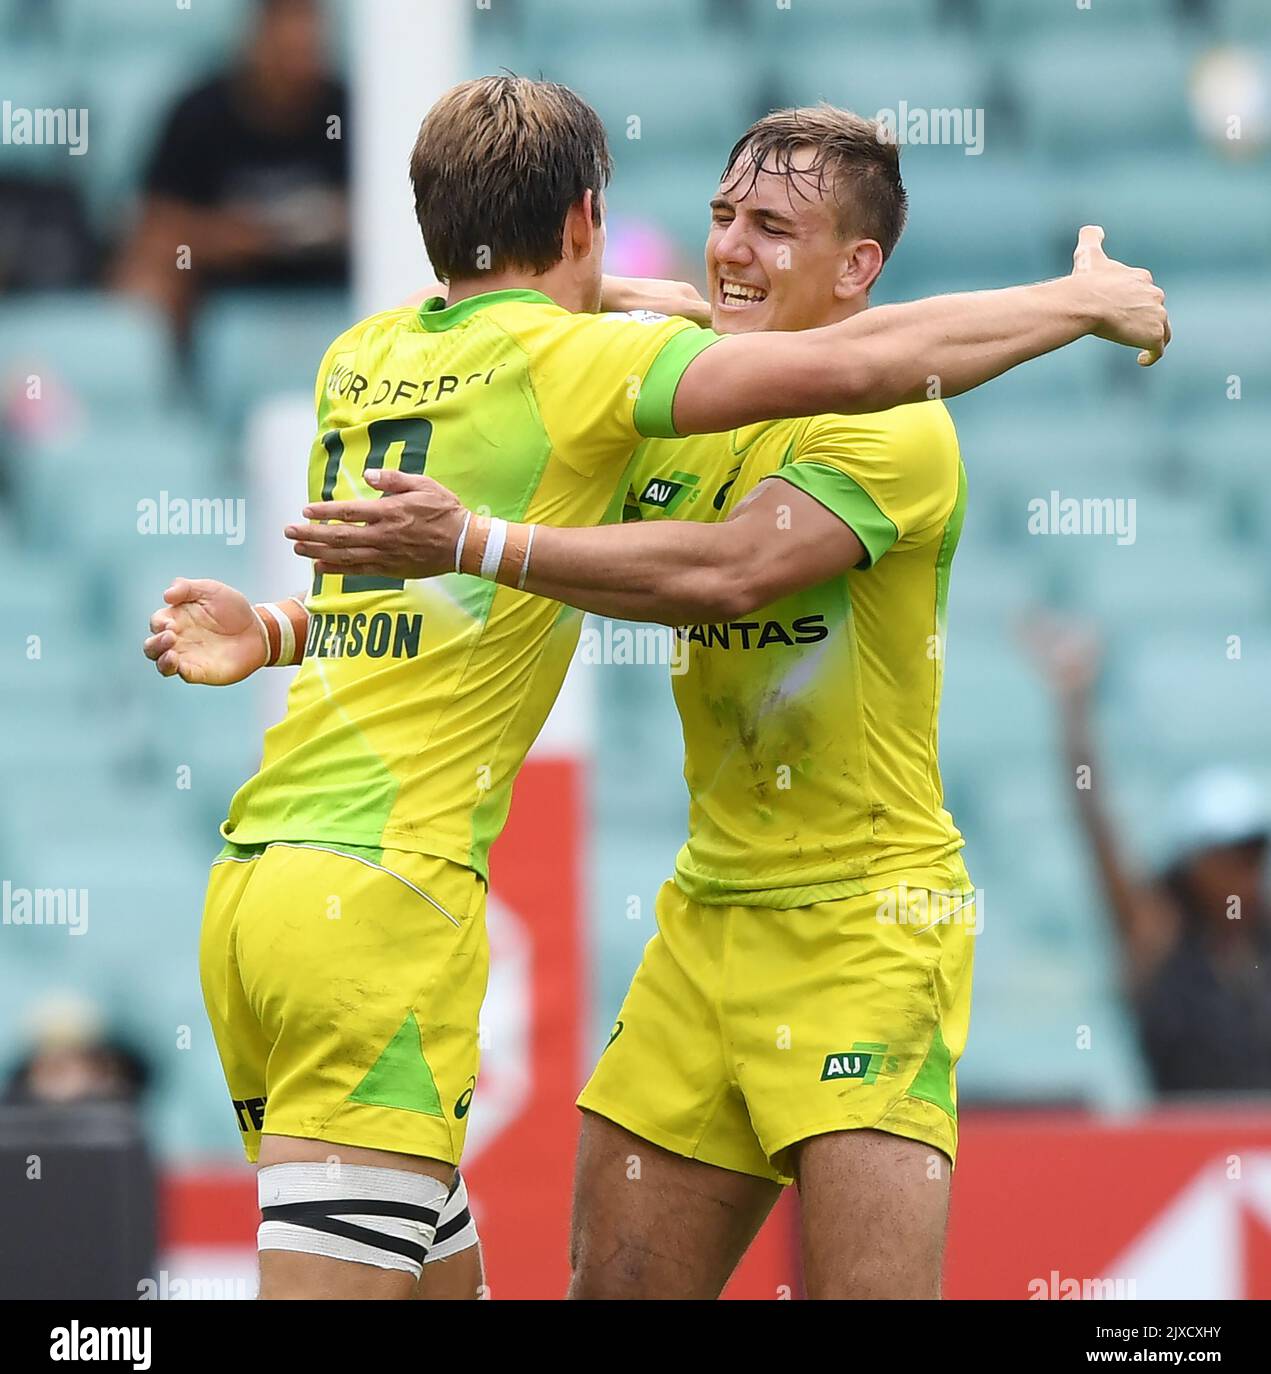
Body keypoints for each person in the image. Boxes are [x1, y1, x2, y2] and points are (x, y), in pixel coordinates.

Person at [144, 75, 1168, 1301]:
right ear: (586, 220)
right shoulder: (646, 397)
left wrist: (1072, 299)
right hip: (701, 923)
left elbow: (729, 571)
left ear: (858, 269)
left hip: (861, 922)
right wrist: (283, 624)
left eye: (772, 230)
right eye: (722, 213)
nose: (731, 245)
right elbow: (471, 585)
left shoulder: (892, 422)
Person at [1025, 619, 1271, 1096]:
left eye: (1254, 852)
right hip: (1177, 1159)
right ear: (1192, 862)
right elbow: (1094, 825)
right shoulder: (1155, 932)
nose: (1246, 871)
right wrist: (1074, 703)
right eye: (1231, 854)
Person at [113, 0, 348, 333]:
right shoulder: (200, 113)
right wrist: (229, 236)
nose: (296, 65)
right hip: (220, 277)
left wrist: (336, 221)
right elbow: (155, 228)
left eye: (306, 49)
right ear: (257, 39)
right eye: (285, 52)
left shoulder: (348, 110)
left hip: (330, 271)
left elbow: (396, 210)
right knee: (147, 274)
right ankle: (158, 381)